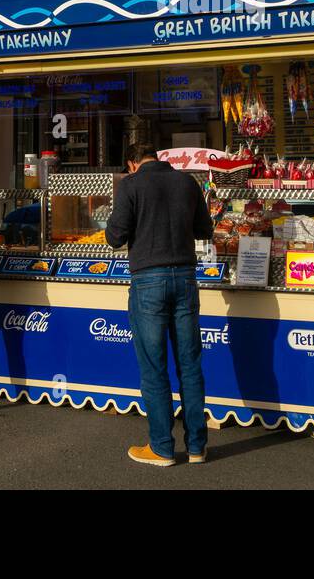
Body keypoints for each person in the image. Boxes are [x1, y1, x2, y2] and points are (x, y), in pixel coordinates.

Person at [105, 142, 213, 466]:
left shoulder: (131, 184)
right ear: (159, 158)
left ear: (132, 162)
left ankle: (162, 447)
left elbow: (114, 237)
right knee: (190, 366)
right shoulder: (187, 182)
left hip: (148, 280)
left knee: (154, 367)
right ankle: (197, 447)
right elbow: (204, 230)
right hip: (185, 277)